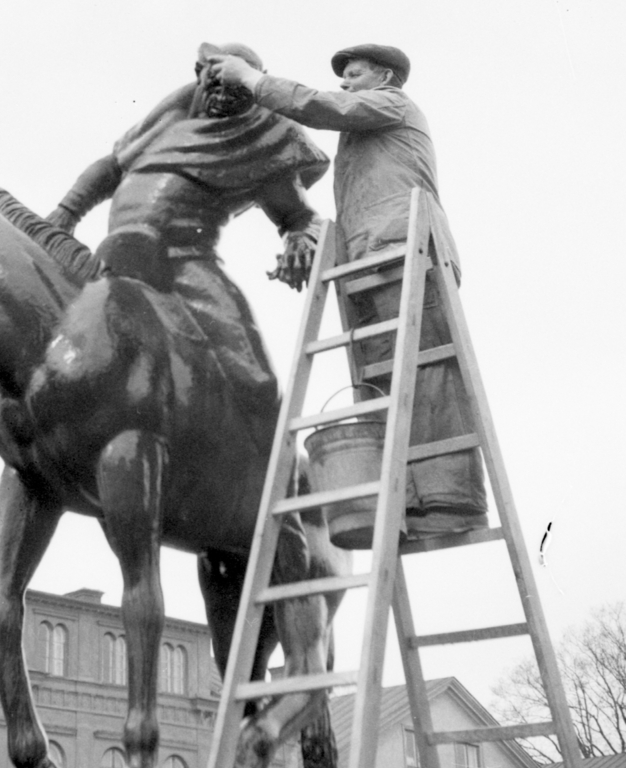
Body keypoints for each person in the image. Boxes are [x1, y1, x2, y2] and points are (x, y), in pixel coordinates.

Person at [207, 43, 487, 538]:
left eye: (355, 74)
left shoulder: (394, 105)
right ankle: (404, 500)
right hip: (366, 259)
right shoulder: (363, 133)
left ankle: (450, 499)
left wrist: (251, 79)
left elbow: (320, 106)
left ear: (385, 77)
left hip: (403, 249)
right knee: (379, 384)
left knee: (428, 373)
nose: (345, 82)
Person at [46, 42, 330, 415]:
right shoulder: (172, 114)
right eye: (214, 84)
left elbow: (297, 215)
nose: (222, 96)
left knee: (252, 374)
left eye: (236, 89)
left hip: (185, 260)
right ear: (200, 76)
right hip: (113, 254)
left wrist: (301, 240)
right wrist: (66, 212)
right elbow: (112, 166)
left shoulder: (266, 133)